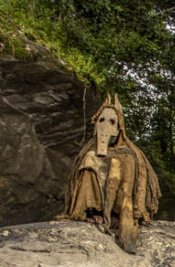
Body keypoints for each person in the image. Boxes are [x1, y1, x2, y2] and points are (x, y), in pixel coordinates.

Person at [61, 94, 160, 252]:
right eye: (101, 121)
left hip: (122, 206)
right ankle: (92, 211)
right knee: (88, 161)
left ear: (118, 126)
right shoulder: (88, 153)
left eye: (111, 122)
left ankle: (117, 215)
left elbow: (133, 187)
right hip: (96, 207)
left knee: (125, 163)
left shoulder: (131, 154)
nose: (105, 126)